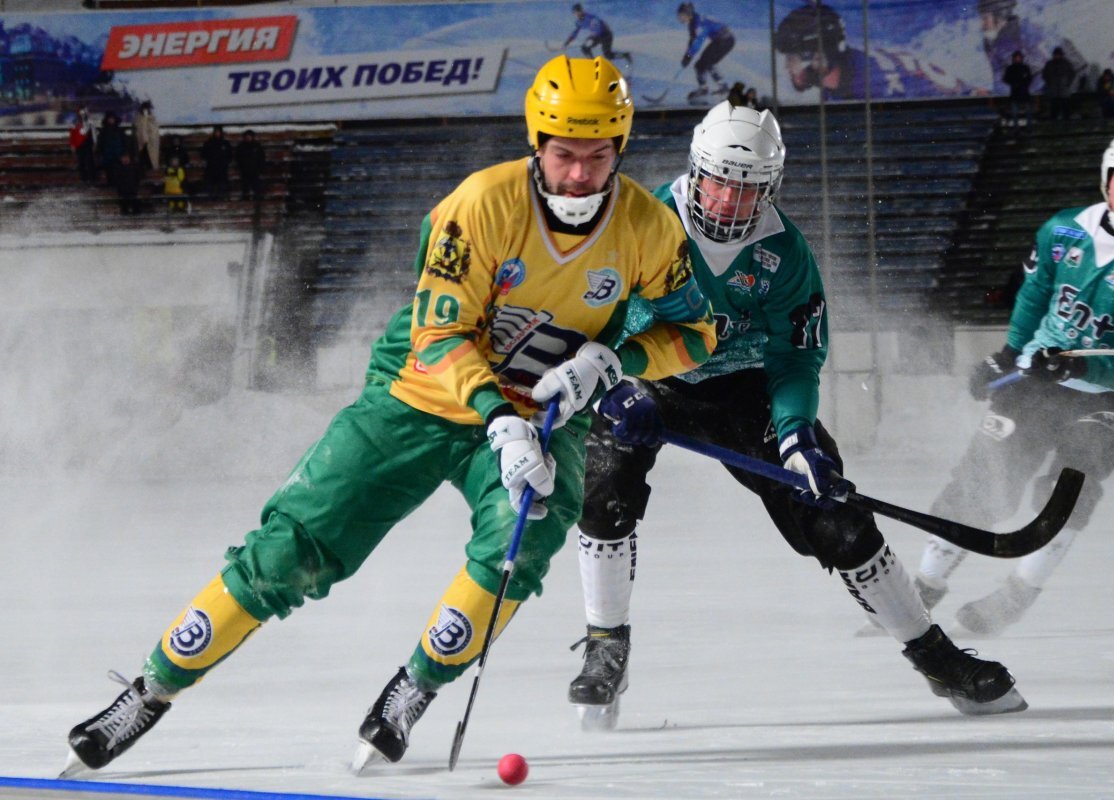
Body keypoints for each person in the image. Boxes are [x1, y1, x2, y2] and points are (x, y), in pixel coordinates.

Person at [62, 54, 717, 776]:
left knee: (522, 540)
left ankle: (415, 688)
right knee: (290, 548)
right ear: (537, 143)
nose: (579, 176)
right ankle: (151, 690)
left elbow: (696, 332)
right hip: (421, 396)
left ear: (620, 149)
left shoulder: (649, 230)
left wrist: (614, 362)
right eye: (564, 155)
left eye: (598, 157)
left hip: (544, 415)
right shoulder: (480, 206)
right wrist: (497, 418)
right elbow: (438, 335)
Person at [565, 100, 1028, 733]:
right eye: (718, 183)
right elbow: (588, 318)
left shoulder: (785, 253)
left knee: (837, 518)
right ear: (694, 172)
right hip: (644, 378)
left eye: (747, 189)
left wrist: (797, 433)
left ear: (771, 187)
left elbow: (793, 357)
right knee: (605, 493)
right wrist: (611, 385)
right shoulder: (640, 220)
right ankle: (606, 645)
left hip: (742, 388)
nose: (728, 202)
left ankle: (934, 654)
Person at [911, 131, 1114, 636]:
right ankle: (923, 588)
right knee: (985, 484)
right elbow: (1034, 294)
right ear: (1107, 178)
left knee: (1069, 482)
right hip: (1039, 375)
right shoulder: (1062, 230)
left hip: (1113, 393)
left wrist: (1077, 367)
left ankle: (1019, 592)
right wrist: (1009, 355)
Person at [775, 2, 971, 102]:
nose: (787, 66)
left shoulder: (872, 85)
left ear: (817, 55)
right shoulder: (848, 73)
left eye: (792, 57)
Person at [977, 0, 1085, 97]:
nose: (982, 25)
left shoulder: (1027, 33)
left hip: (1055, 91)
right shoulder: (991, 42)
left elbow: (1042, 70)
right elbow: (999, 77)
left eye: (985, 18)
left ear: (999, 17)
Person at [676, 3, 735, 104]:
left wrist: (688, 56)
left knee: (708, 62)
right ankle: (703, 89)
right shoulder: (693, 22)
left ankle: (724, 89)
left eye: (681, 15)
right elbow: (692, 41)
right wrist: (687, 56)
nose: (679, 18)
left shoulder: (697, 23)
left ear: (688, 14)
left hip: (726, 40)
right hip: (719, 40)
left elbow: (698, 41)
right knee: (699, 65)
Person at [563, 3, 631, 63]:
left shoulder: (590, 18)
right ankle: (592, 63)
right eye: (575, 13)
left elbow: (598, 28)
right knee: (584, 47)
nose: (577, 14)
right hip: (597, 36)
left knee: (608, 55)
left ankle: (625, 55)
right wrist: (568, 41)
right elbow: (574, 33)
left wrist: (592, 37)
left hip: (606, 35)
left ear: (581, 10)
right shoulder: (579, 22)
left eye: (578, 11)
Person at [1040, 46, 1076, 121]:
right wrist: (1050, 83)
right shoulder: (1049, 64)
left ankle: (1066, 127)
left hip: (1064, 91)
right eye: (1056, 54)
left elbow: (1072, 74)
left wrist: (1067, 83)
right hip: (1053, 91)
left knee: (1066, 111)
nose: (1057, 56)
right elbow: (1044, 74)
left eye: (1059, 54)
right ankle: (1054, 127)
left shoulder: (1066, 63)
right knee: (1054, 111)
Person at [200, 125, 233, 200]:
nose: (217, 133)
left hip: (222, 169)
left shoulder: (225, 143)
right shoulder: (209, 143)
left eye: (219, 132)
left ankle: (221, 198)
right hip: (211, 168)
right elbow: (203, 154)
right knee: (211, 185)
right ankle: (211, 199)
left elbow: (230, 155)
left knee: (221, 185)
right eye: (216, 132)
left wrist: (225, 162)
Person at [1002, 50, 1033, 128]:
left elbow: (1029, 78)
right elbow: (1005, 78)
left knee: (1028, 110)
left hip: (1024, 92)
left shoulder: (1025, 67)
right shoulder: (1010, 68)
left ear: (1021, 58)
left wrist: (1024, 83)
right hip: (1015, 92)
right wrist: (1013, 82)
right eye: (1016, 58)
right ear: (1013, 58)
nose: (1018, 59)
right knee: (1014, 111)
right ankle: (1016, 127)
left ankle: (1029, 127)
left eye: (1019, 57)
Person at [234, 129, 267, 201]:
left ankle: (258, 201)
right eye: (247, 136)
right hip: (244, 171)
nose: (248, 138)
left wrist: (260, 169)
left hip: (255, 171)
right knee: (245, 188)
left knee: (256, 187)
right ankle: (246, 200)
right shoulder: (241, 147)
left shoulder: (257, 146)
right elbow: (238, 158)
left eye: (249, 136)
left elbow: (262, 158)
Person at [68, 107, 97, 185]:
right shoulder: (74, 123)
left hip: (88, 144)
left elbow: (94, 133)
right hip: (79, 145)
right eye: (80, 113)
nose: (82, 114)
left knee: (90, 161)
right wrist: (73, 145)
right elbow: (72, 135)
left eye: (83, 113)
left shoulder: (90, 122)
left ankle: (92, 178)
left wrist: (94, 143)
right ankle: (84, 178)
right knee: (81, 162)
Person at [95, 112, 126, 186]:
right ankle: (111, 183)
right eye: (110, 119)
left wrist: (124, 153)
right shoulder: (103, 131)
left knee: (118, 170)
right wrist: (99, 153)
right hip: (107, 155)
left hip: (118, 154)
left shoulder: (120, 131)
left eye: (112, 118)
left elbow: (124, 142)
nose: (111, 120)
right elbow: (100, 143)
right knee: (109, 171)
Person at [134, 101, 160, 175]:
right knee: (141, 160)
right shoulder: (139, 118)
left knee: (152, 159)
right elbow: (139, 130)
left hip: (151, 142)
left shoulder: (152, 119)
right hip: (141, 144)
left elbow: (154, 130)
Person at [112, 151, 141, 215]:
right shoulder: (118, 168)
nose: (125, 159)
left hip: (132, 189)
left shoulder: (134, 166)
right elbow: (117, 179)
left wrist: (136, 186)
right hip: (123, 190)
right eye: (123, 158)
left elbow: (137, 177)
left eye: (126, 157)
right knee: (124, 206)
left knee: (135, 205)